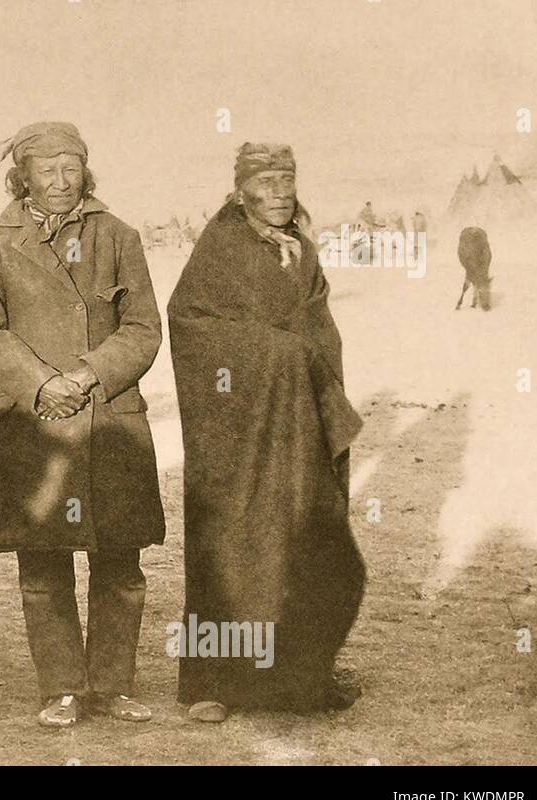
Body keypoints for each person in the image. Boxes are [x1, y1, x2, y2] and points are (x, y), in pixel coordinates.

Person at [0, 122, 166, 728]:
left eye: (70, 168)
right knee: (43, 564)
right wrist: (41, 385)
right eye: (44, 170)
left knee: (120, 562)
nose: (59, 181)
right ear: (21, 176)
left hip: (110, 416)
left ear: (86, 170)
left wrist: (86, 376)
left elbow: (144, 327)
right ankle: (61, 687)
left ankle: (112, 685)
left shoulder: (119, 235)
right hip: (36, 421)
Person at [167, 143, 366, 722]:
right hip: (237, 431)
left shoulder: (301, 250)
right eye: (267, 181)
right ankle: (214, 683)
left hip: (298, 421)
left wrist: (309, 358)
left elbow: (319, 322)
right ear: (241, 190)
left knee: (305, 539)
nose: (280, 191)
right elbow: (191, 323)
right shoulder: (221, 246)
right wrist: (277, 351)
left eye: (288, 179)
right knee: (232, 548)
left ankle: (298, 678)